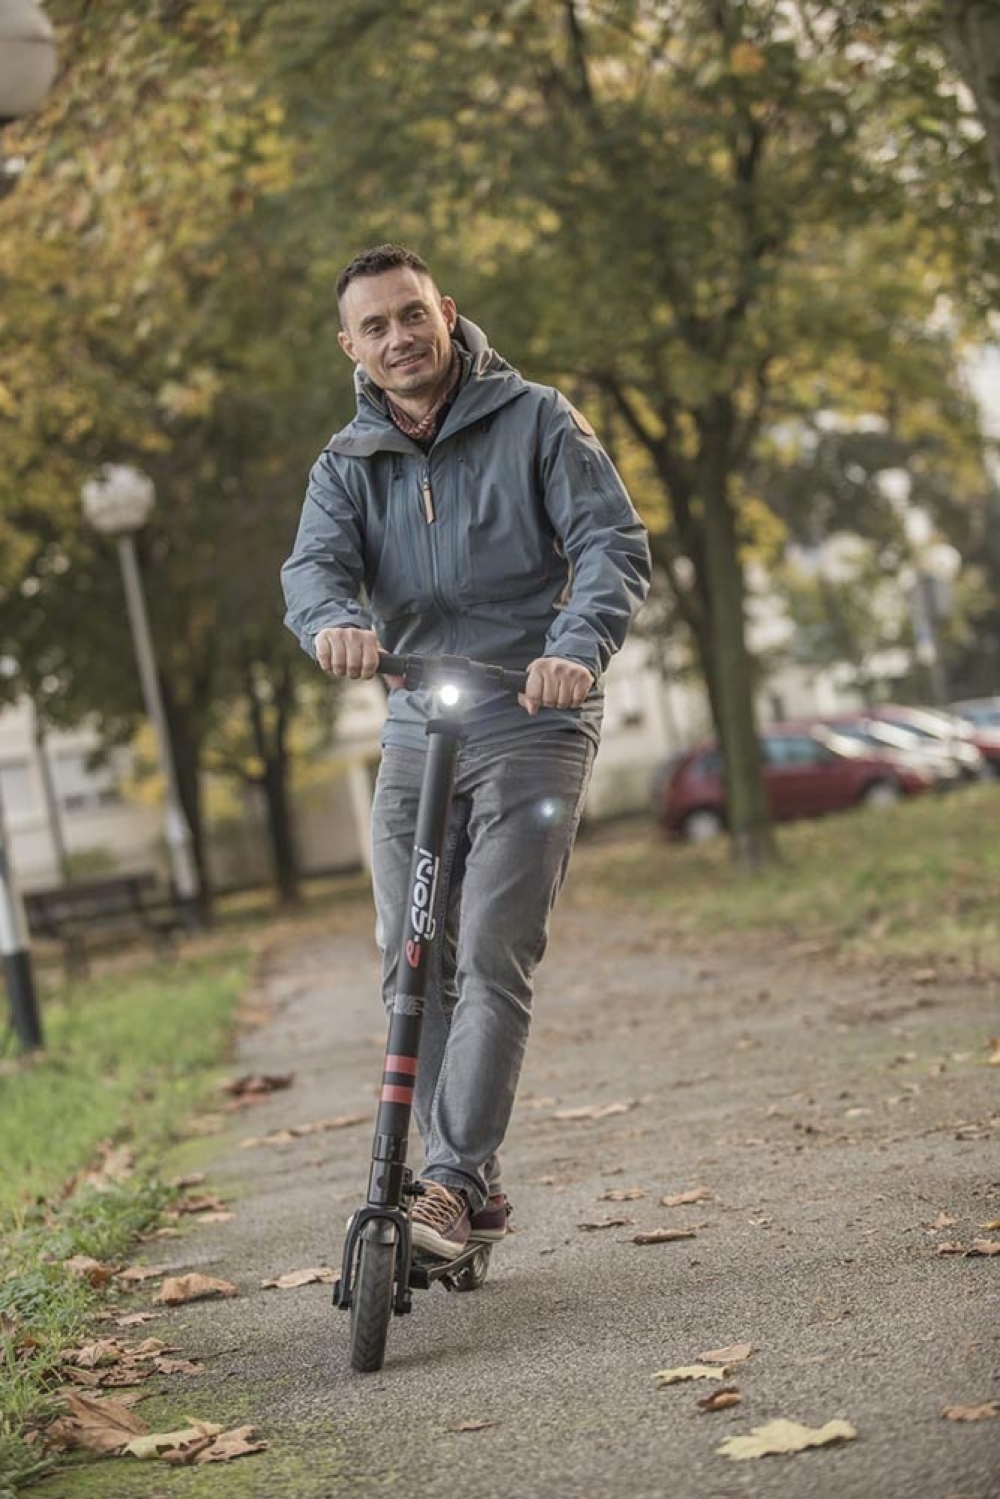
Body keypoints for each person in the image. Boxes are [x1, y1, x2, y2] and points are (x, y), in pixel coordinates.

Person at [281, 244, 650, 1262]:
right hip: (416, 724)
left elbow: (611, 543)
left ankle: (445, 1182)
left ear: (446, 313)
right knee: (408, 954)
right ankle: (465, 1180)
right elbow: (313, 568)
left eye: (412, 314)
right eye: (375, 325)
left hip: (530, 713)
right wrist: (329, 624)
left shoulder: (536, 419)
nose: (398, 337)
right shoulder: (345, 463)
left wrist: (572, 650)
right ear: (349, 344)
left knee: (488, 945)